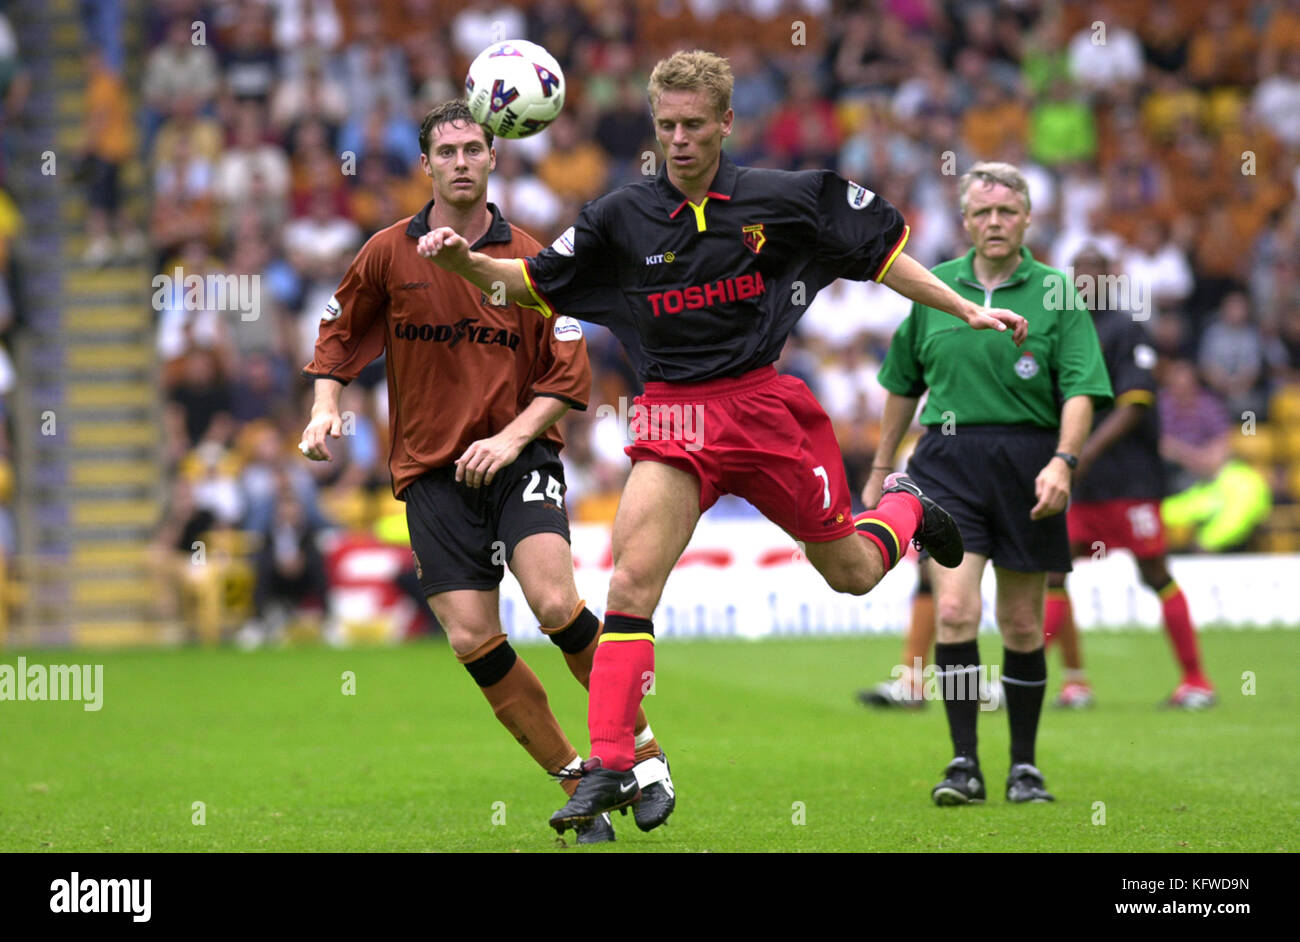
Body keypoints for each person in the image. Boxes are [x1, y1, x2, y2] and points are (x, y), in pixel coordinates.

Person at [416, 51, 1028, 834]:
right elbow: (527, 284)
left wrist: (963, 308)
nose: (677, 139)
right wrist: (467, 260)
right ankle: (612, 763)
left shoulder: (788, 198)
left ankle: (907, 505)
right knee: (630, 587)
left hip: (764, 409)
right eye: (665, 125)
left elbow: (883, 261)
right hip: (672, 413)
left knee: (852, 572)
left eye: (693, 126)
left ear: (726, 124)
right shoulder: (618, 219)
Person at [299, 101, 675, 844]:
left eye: (475, 147)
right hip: (431, 475)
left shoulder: (534, 259)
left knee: (555, 602)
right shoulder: (385, 254)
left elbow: (569, 380)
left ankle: (647, 758)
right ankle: (576, 781)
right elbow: (339, 337)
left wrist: (509, 439)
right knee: (472, 638)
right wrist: (322, 407)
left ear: (495, 158)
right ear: (428, 165)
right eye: (449, 151)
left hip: (519, 457)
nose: (463, 160)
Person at [866, 161, 1112, 806]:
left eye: (1007, 211)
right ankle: (963, 763)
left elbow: (1083, 387)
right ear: (965, 220)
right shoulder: (934, 287)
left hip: (1030, 462)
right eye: (983, 212)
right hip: (947, 461)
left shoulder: (1058, 290)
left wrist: (1064, 460)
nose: (995, 222)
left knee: (1024, 624)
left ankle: (1024, 767)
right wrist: (877, 467)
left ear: (1028, 218)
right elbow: (900, 384)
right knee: (953, 609)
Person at [1043, 243, 1215, 710]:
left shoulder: (1129, 327)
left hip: (1130, 481)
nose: (1084, 282)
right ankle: (1073, 682)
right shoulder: (1064, 332)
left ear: (1110, 279)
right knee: (1054, 573)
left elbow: (1135, 404)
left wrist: (1081, 455)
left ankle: (1196, 681)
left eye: (1094, 273)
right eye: (1077, 273)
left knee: (1154, 571)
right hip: (1083, 485)